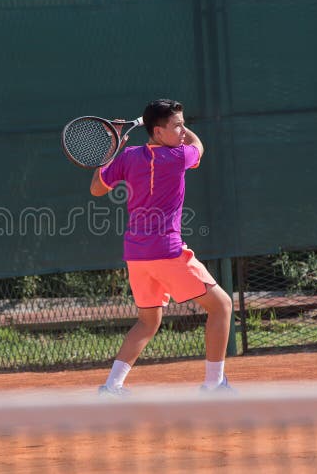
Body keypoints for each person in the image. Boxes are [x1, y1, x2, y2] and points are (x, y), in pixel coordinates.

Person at [90, 98, 234, 395]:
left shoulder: (128, 156)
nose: (183, 131)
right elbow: (199, 147)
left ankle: (112, 387)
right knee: (222, 306)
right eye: (177, 125)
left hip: (137, 256)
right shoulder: (179, 157)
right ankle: (214, 384)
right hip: (167, 252)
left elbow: (96, 188)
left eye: (182, 125)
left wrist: (112, 145)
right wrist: (183, 130)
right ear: (157, 132)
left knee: (147, 321)